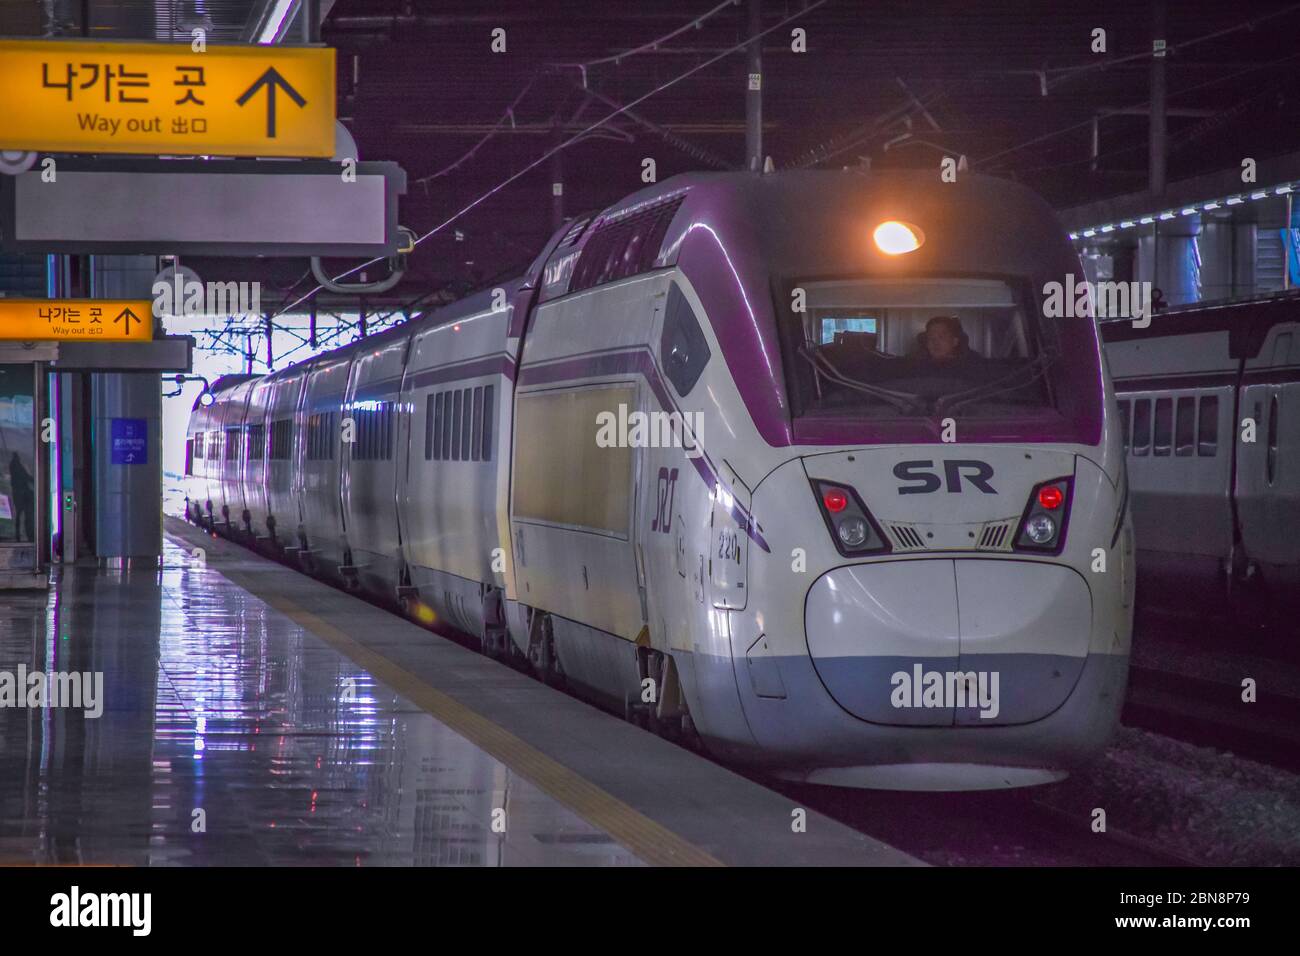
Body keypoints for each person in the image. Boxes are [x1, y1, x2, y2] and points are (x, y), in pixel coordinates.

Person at [9, 452, 34, 543]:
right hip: (22, 495)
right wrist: (35, 481)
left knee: (19, 515)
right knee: (26, 515)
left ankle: (18, 536)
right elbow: (26, 477)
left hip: (18, 495)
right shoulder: (17, 466)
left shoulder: (13, 466)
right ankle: (26, 536)